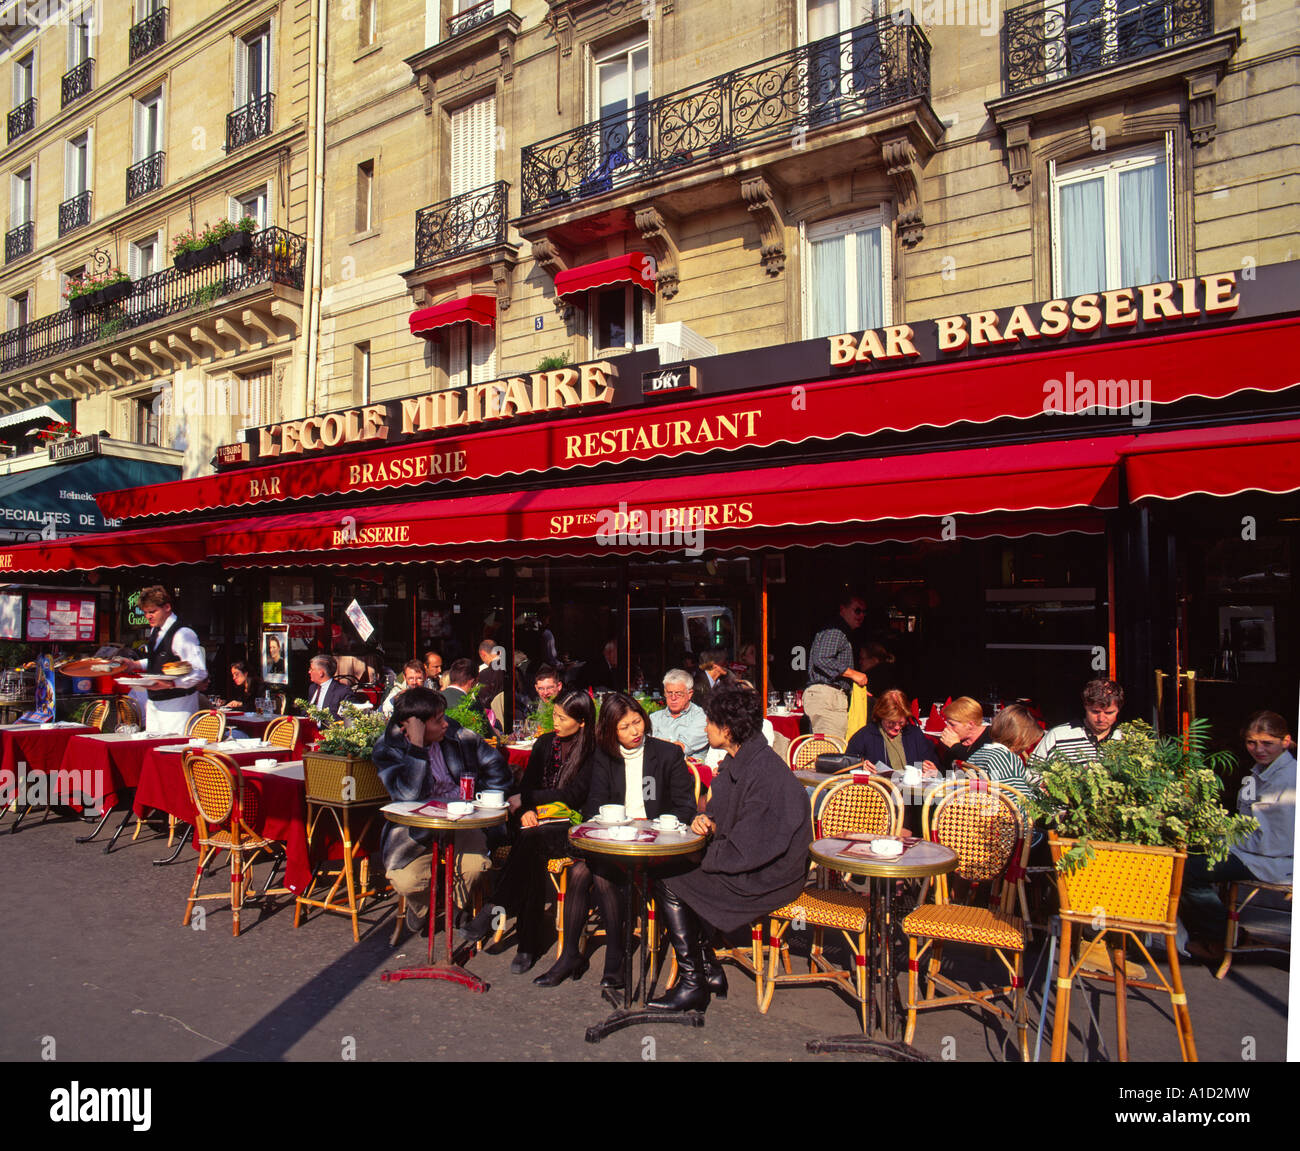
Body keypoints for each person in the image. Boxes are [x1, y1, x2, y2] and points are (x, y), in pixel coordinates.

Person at [647, 684, 813, 1013]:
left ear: (726, 729)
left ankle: (694, 980)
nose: (704, 727)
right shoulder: (742, 760)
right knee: (670, 870)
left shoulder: (765, 773)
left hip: (770, 875)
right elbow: (723, 814)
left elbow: (750, 848)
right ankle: (707, 970)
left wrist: (698, 853)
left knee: (670, 877)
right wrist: (705, 820)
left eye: (709, 722)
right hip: (752, 859)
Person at [463, 691, 598, 976]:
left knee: (529, 841)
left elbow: (573, 796)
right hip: (536, 823)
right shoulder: (546, 742)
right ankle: (527, 944)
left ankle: (499, 912)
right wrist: (527, 807)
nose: (556, 722)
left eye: (563, 717)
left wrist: (529, 801)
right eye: (555, 715)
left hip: (573, 827)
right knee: (530, 844)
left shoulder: (592, 752)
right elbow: (527, 783)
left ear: (582, 722)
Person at [568, 693, 696, 989]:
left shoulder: (666, 754)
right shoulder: (604, 757)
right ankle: (571, 955)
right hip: (616, 842)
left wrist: (654, 825)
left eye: (637, 722)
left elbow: (686, 808)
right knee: (579, 872)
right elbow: (593, 805)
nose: (635, 731)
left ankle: (615, 958)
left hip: (655, 848)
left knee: (596, 874)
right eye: (624, 727)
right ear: (610, 731)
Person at [374, 687, 512, 933]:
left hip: (464, 821)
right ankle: (423, 910)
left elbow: (495, 765)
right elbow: (407, 796)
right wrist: (417, 748)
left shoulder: (458, 735)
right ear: (416, 725)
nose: (445, 724)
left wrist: (487, 799)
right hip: (414, 828)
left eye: (443, 717)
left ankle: (453, 907)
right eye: (438, 720)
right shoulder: (389, 748)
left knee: (474, 867)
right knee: (406, 881)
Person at [1179, 710, 1295, 963]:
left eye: (1267, 743)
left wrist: (1224, 838)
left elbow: (1274, 842)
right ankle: (1217, 934)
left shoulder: (1288, 779)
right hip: (1253, 850)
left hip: (1274, 859)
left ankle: (1222, 938)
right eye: (1252, 742)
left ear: (1286, 741)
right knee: (1185, 854)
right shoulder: (1263, 770)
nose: (1258, 749)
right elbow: (1248, 820)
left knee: (1188, 869)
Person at [124, 585, 207, 734]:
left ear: (167, 607)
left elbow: (199, 672)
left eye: (152, 611)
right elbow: (160, 661)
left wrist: (171, 683)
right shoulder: (155, 630)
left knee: (174, 750)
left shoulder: (183, 633)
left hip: (178, 707)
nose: (148, 616)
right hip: (154, 706)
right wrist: (134, 664)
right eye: (145, 612)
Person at [803, 592, 870, 742]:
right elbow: (822, 658)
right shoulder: (836, 630)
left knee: (830, 748)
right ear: (843, 609)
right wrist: (854, 674)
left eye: (864, 612)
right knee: (831, 750)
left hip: (829, 697)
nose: (861, 615)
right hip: (828, 697)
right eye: (857, 610)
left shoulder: (842, 632)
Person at [1030, 678, 1126, 766]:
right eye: (1095, 712)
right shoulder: (1057, 735)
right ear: (1085, 706)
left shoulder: (1128, 738)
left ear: (1119, 710)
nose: (1101, 718)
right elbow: (1032, 773)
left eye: (1109, 713)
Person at [963, 704, 1043, 809]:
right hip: (1003, 820)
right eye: (1028, 742)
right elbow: (1018, 801)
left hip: (978, 815)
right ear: (1019, 738)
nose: (1028, 747)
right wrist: (1040, 796)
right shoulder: (1008, 759)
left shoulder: (978, 754)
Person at [846, 688, 937, 771]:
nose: (897, 727)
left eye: (901, 723)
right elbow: (847, 766)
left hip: (912, 788)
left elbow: (935, 765)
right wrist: (860, 767)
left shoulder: (914, 734)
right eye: (891, 723)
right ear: (881, 716)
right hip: (879, 788)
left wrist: (931, 769)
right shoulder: (865, 735)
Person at [649, 669, 709, 758]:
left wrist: (658, 744)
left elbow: (679, 748)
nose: (673, 698)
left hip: (690, 770)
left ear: (690, 694)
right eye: (669, 693)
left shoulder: (701, 717)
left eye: (679, 693)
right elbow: (646, 747)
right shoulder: (654, 718)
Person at [936, 695, 990, 769]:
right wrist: (935, 771)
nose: (947, 728)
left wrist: (955, 747)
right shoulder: (959, 739)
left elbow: (977, 769)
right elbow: (950, 772)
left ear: (970, 725)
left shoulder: (991, 739)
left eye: (952, 724)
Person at [303, 654, 352, 719]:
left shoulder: (342, 692)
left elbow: (347, 719)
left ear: (321, 673)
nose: (309, 672)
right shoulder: (313, 688)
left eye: (311, 669)